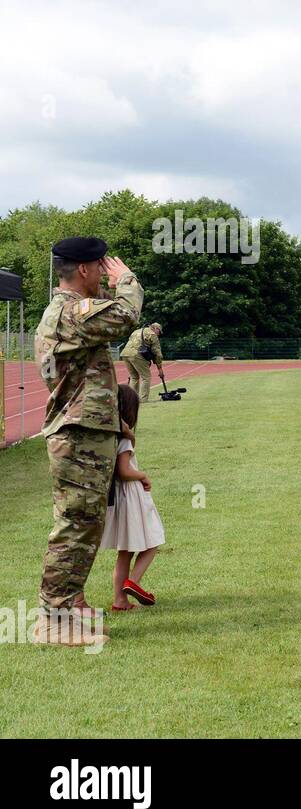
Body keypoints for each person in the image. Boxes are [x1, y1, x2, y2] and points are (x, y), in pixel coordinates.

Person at [32, 237, 143, 647]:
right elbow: (126, 315)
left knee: (86, 524)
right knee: (75, 525)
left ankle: (70, 606)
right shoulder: (70, 311)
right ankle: (52, 619)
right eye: (101, 267)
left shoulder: (69, 312)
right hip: (76, 437)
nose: (104, 274)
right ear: (83, 270)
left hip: (85, 432)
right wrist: (127, 279)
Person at [100, 385, 166, 611]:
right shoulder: (125, 440)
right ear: (131, 412)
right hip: (131, 496)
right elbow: (124, 471)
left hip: (117, 498)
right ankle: (133, 582)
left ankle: (120, 601)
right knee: (154, 541)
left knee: (124, 552)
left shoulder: (110, 437)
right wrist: (143, 475)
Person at [120, 322, 164, 402]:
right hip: (136, 354)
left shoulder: (136, 331)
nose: (159, 334)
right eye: (159, 332)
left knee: (134, 377)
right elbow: (157, 352)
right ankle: (143, 400)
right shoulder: (152, 334)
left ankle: (131, 400)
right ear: (156, 328)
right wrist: (160, 368)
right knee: (146, 377)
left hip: (125, 354)